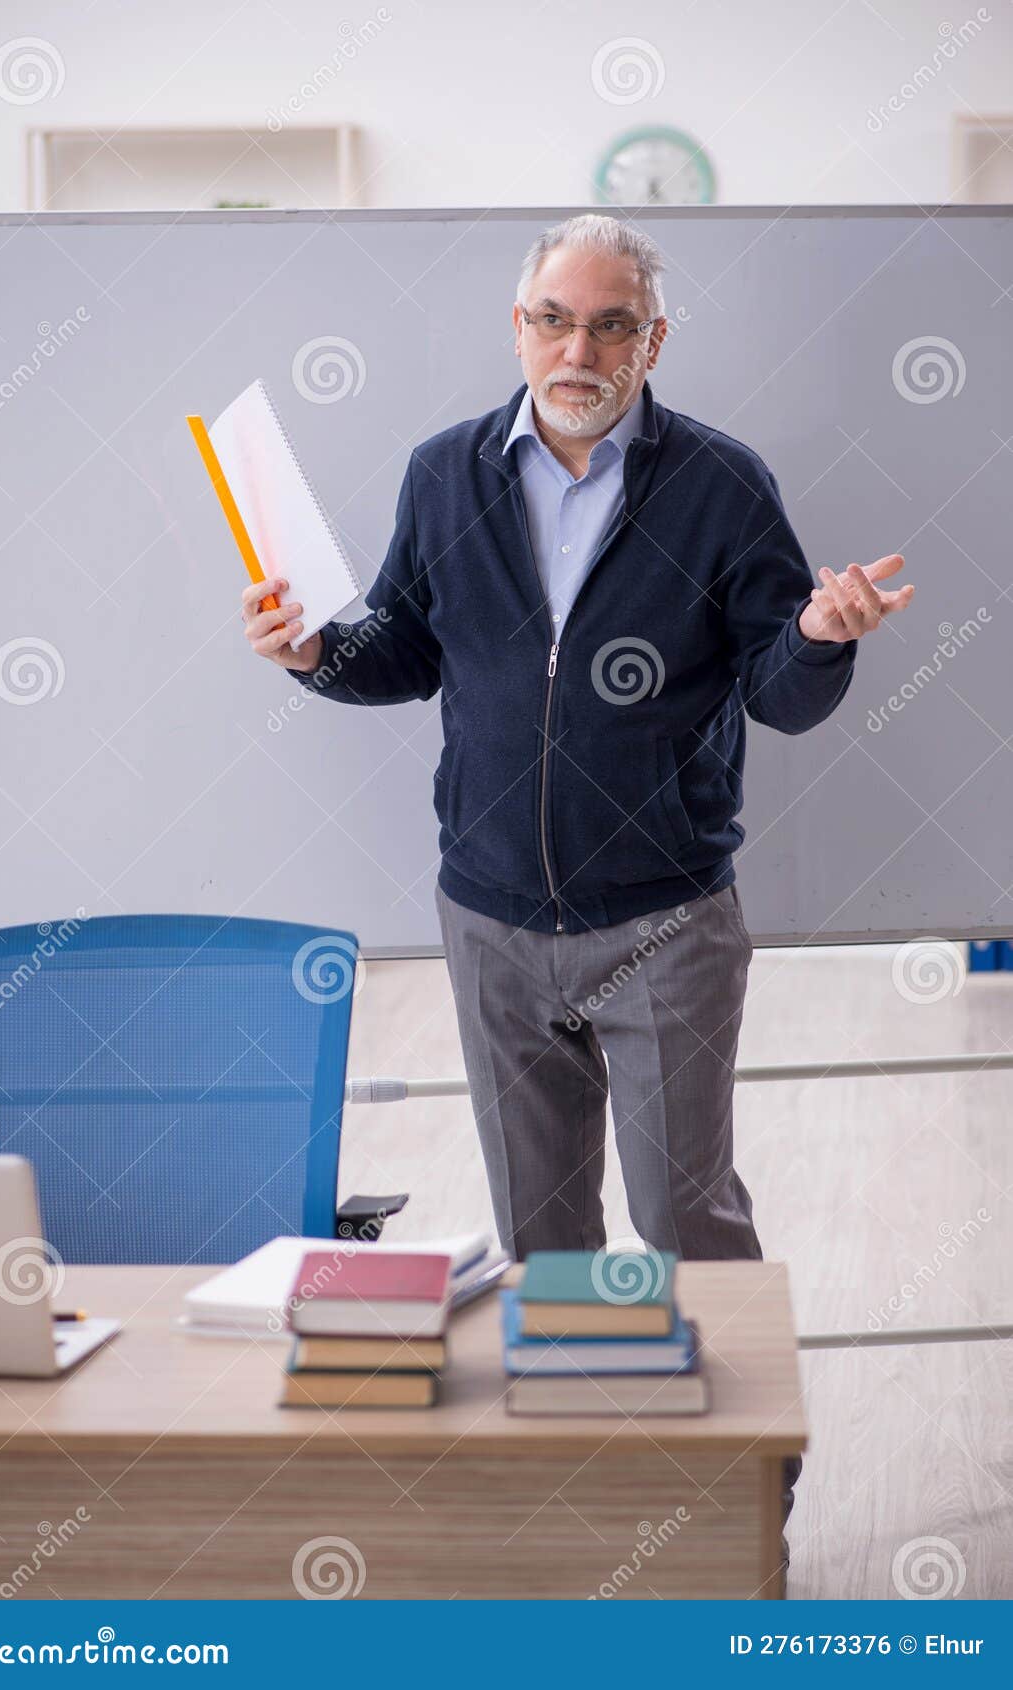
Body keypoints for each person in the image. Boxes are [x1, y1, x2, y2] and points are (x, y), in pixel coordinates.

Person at [242, 213, 915, 1562]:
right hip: (489, 915)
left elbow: (777, 694)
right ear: (519, 327)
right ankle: (594, 1505)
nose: (581, 345)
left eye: (614, 323)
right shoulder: (446, 475)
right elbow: (400, 649)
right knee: (544, 1230)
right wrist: (315, 649)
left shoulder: (722, 487)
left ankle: (742, 1504)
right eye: (557, 316)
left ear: (652, 341)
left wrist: (823, 637)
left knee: (685, 1220)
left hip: (661, 917)